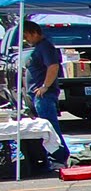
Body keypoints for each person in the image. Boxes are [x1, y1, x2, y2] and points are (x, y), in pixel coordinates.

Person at [21, 21, 65, 153]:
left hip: (44, 95)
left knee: (50, 129)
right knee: (44, 130)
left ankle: (59, 155)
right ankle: (53, 155)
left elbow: (53, 66)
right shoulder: (40, 47)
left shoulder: (45, 47)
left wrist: (45, 86)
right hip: (37, 95)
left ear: (35, 33)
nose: (25, 39)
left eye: (26, 36)